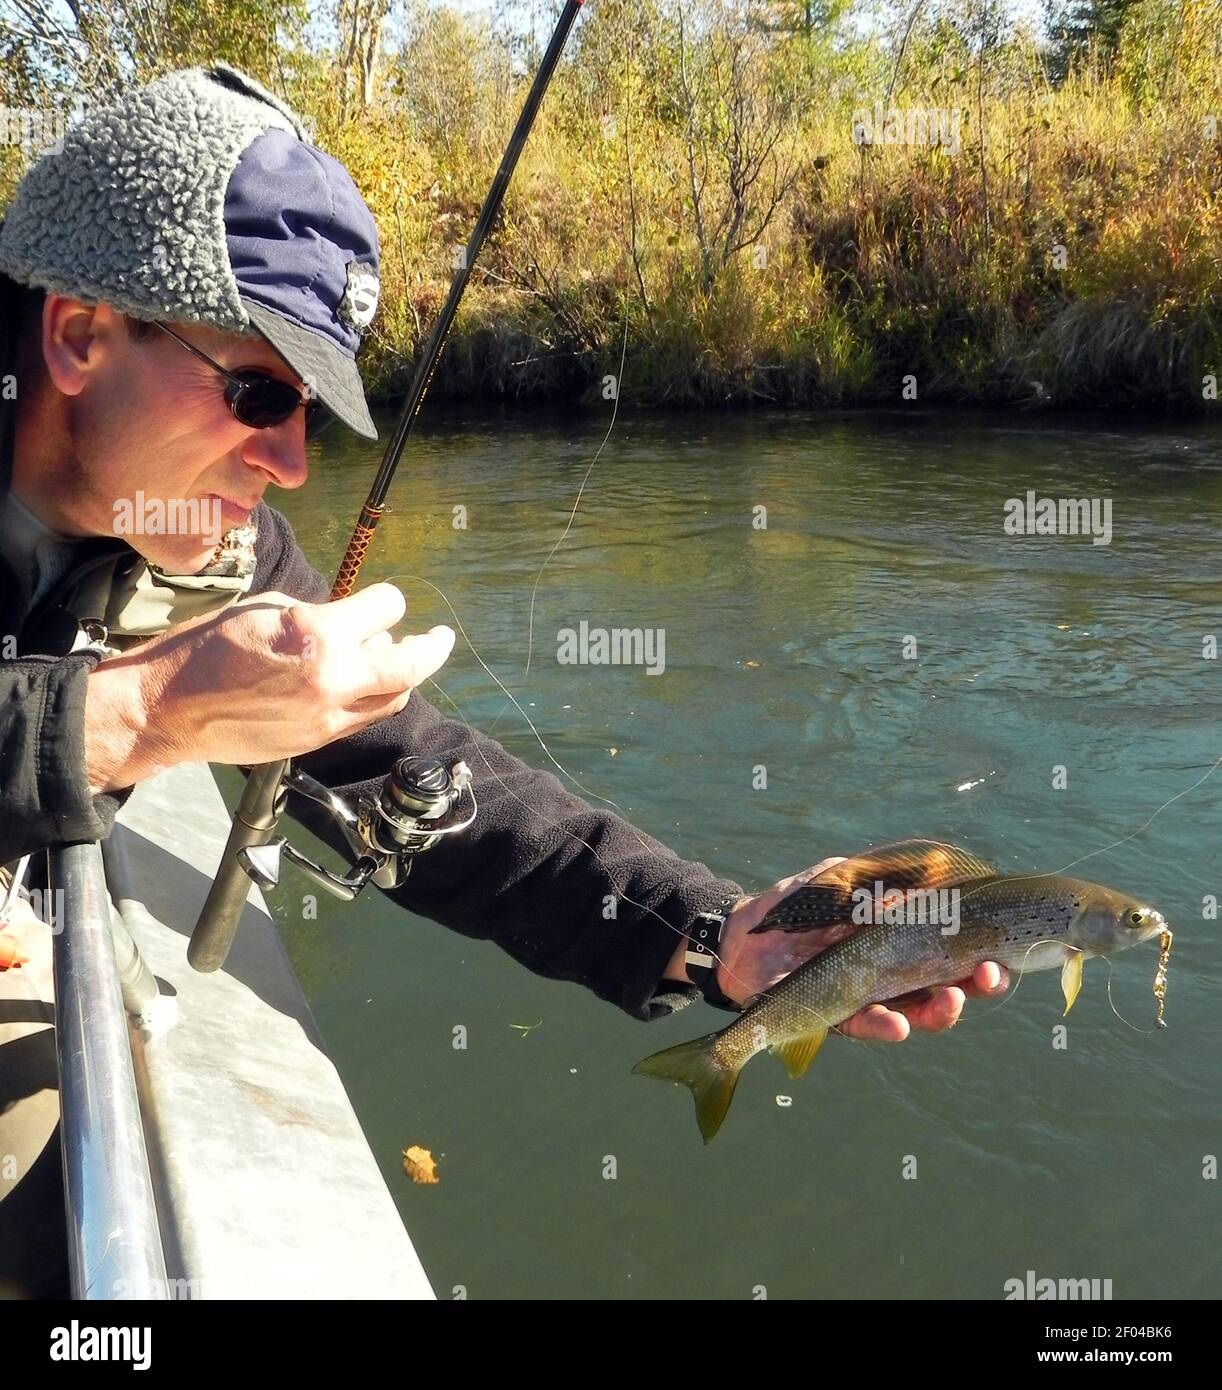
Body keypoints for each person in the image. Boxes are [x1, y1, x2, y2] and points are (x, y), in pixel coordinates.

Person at [0, 64, 1006, 1293]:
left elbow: (415, 777)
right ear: (78, 332)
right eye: (258, 390)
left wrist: (708, 936)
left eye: (310, 407)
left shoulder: (222, 548)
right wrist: (138, 714)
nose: (291, 461)